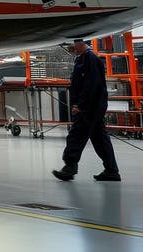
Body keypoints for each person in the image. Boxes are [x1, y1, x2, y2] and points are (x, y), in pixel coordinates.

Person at [52, 39, 121, 182]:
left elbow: (91, 85)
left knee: (76, 135)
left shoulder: (90, 59)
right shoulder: (83, 58)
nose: (69, 48)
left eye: (71, 45)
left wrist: (81, 105)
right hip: (93, 107)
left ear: (80, 43)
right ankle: (111, 170)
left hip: (89, 108)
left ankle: (70, 167)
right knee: (100, 139)